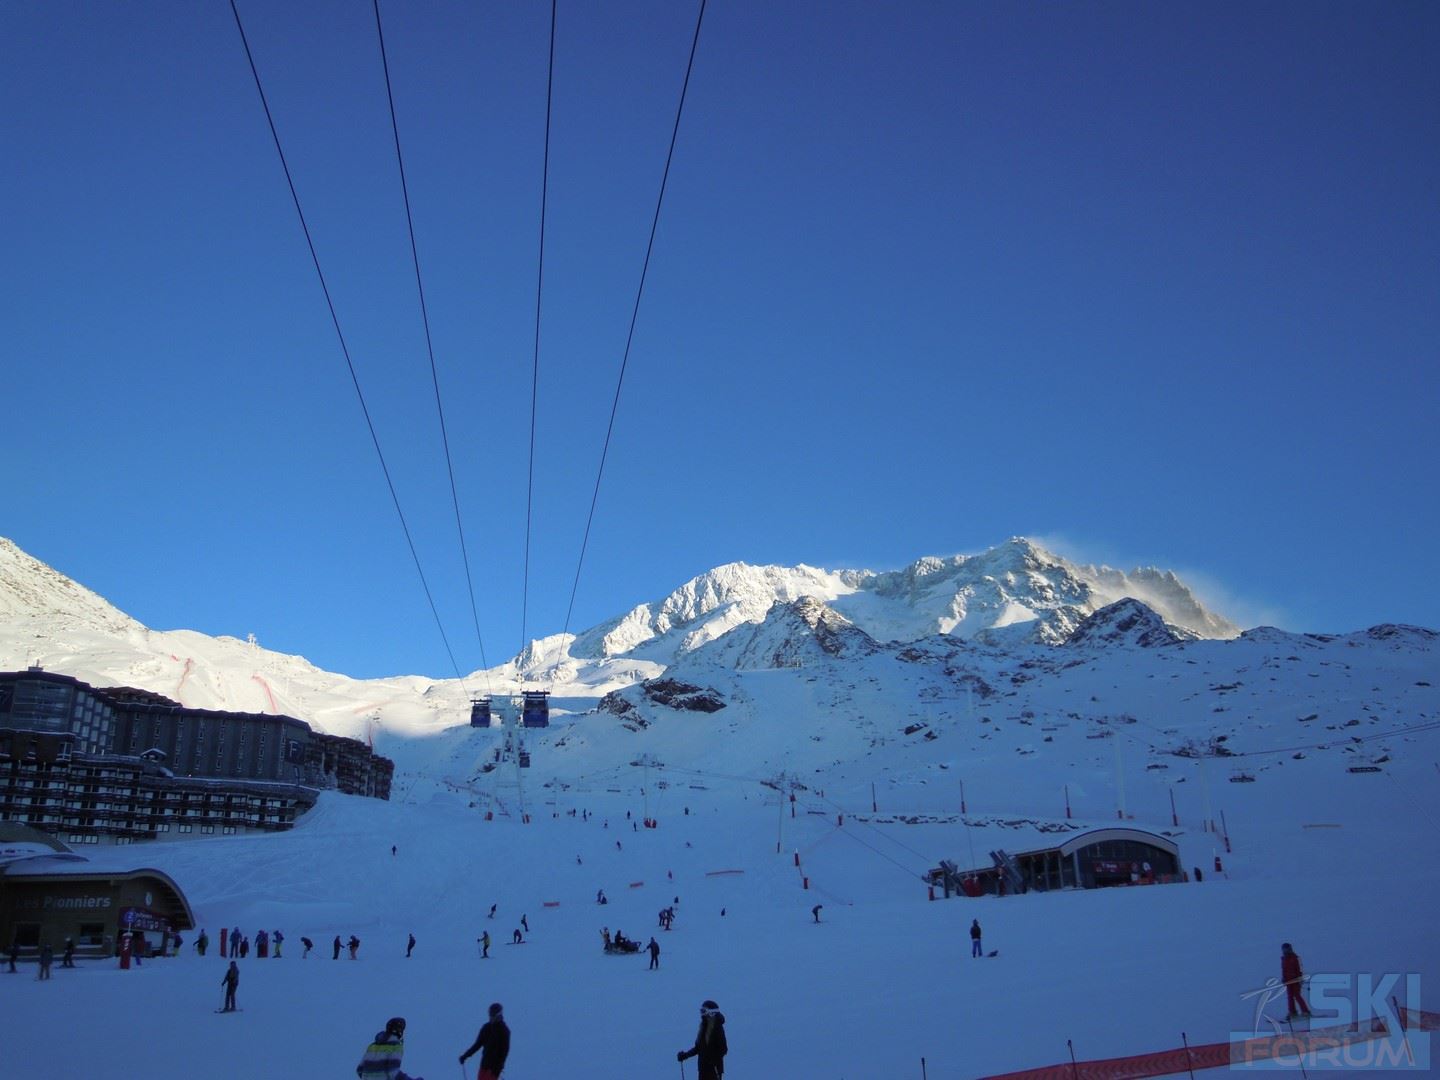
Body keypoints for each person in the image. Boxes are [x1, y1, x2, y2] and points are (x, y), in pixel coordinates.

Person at [459, 1001, 511, 1080]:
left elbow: (504, 1052)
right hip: (484, 1066)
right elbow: (477, 1044)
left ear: (499, 1015)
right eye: (490, 1014)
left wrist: (497, 1069)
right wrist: (465, 1056)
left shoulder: (504, 1031)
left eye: (493, 1015)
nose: (491, 1017)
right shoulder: (486, 1028)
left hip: (494, 1069)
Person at [677, 999, 728, 1080]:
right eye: (701, 1011)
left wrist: (712, 1059)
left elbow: (723, 1049)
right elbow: (698, 1048)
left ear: (711, 1012)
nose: (702, 1014)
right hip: (703, 1069)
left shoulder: (717, 1027)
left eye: (704, 1011)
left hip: (714, 1070)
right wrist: (685, 1055)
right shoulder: (703, 1028)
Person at [1281, 943, 1312, 1019]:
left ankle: (1305, 1011)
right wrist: (1284, 978)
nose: (1285, 951)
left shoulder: (1295, 958)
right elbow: (1284, 970)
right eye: (1284, 949)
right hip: (1288, 981)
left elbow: (1300, 969)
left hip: (1296, 980)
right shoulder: (1284, 959)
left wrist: (1300, 978)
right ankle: (1293, 1012)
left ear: (1290, 949)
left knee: (1297, 995)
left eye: (1286, 949)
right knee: (1290, 996)